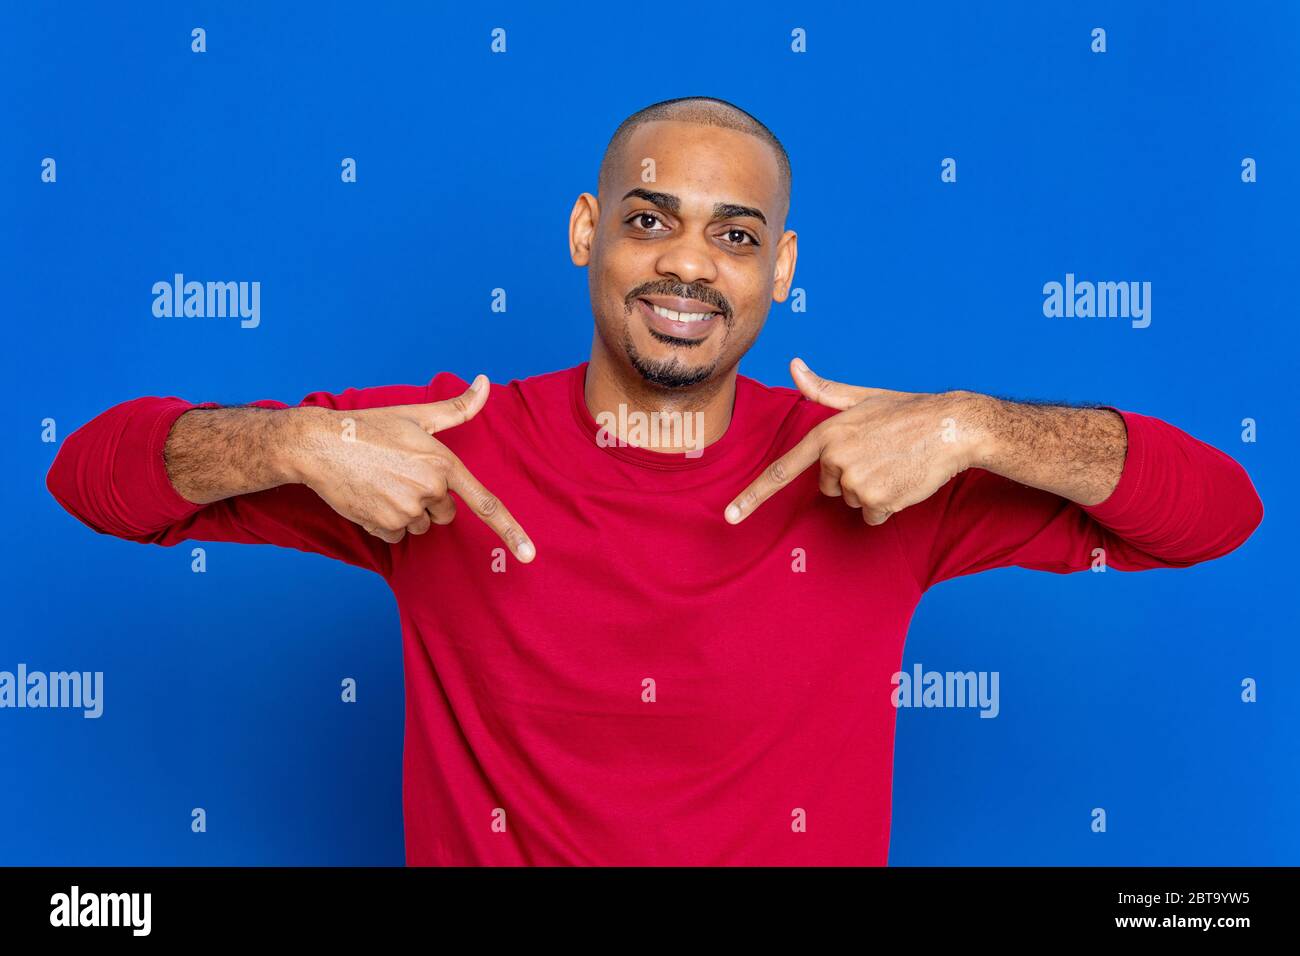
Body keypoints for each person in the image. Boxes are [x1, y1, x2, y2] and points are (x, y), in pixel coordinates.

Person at [46, 96, 1263, 865]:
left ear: (779, 269)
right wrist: (291, 444)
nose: (689, 264)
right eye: (649, 219)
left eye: (735, 235)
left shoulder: (883, 466)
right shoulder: (434, 449)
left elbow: (1217, 511)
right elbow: (90, 477)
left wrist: (975, 425)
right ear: (586, 231)